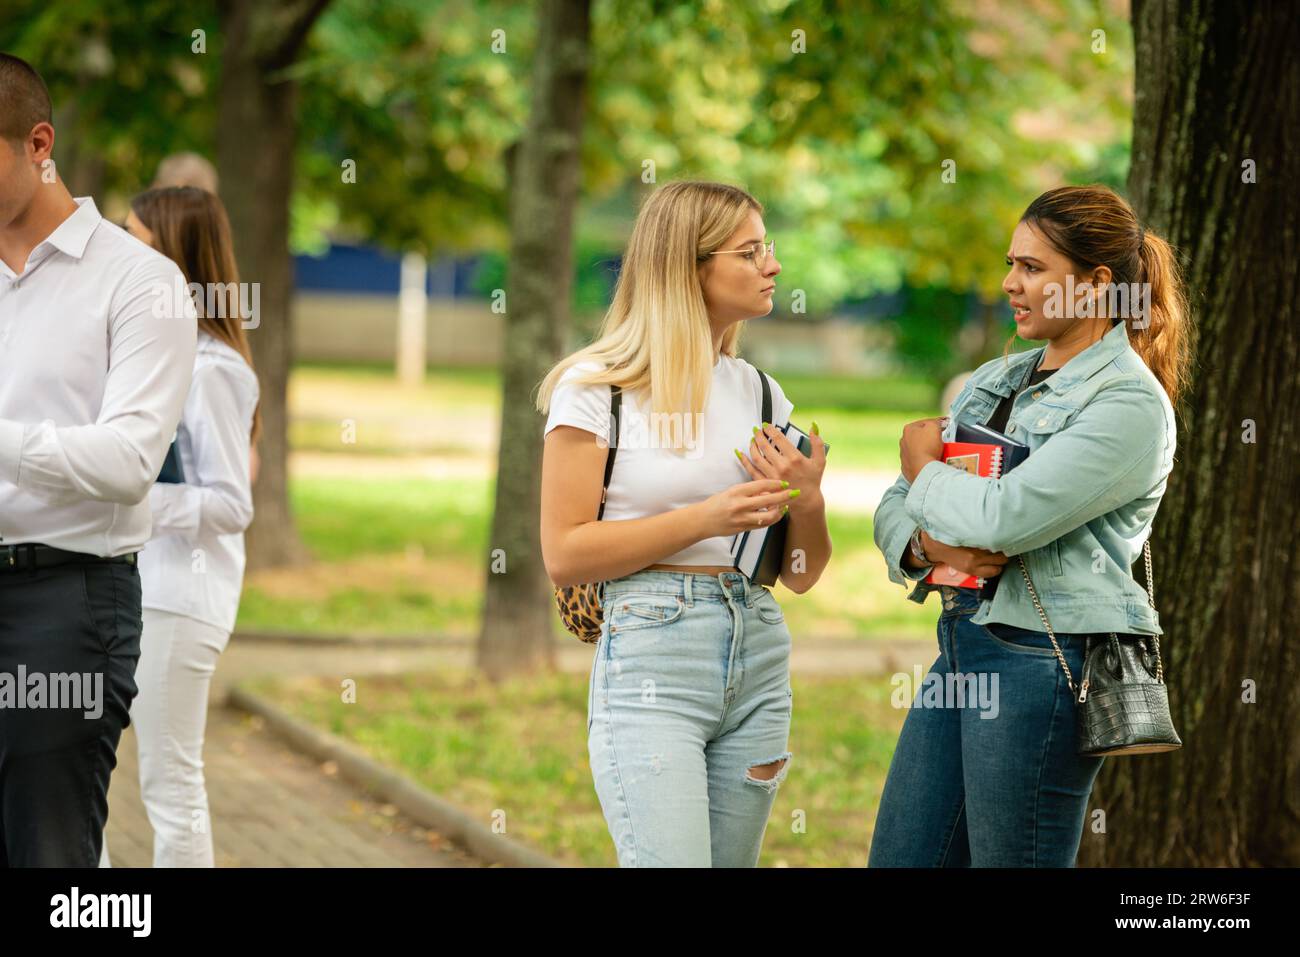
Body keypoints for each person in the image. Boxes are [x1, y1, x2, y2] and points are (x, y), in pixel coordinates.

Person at [869, 183, 1190, 867]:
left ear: (1095, 284)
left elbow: (1005, 518)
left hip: (1042, 663)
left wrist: (924, 470)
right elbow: (893, 506)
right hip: (962, 642)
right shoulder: (997, 379)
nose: (1010, 283)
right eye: (1011, 264)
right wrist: (929, 544)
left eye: (1033, 268)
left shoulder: (1127, 403)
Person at [539, 180, 832, 867]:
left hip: (757, 652)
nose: (772, 265)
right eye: (749, 252)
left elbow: (800, 575)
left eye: (768, 248)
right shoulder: (597, 387)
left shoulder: (761, 392)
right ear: (688, 267)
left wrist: (809, 499)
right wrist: (706, 517)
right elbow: (565, 552)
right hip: (653, 657)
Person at [0, 53, 196, 866]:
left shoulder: (142, 283)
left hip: (66, 601)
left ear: (38, 143)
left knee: (48, 854)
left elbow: (127, 460)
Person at [120, 186, 261, 866]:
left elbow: (232, 503)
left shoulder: (213, 370)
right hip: (139, 589)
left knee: (170, 783)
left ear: (175, 258)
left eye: (135, 241)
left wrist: (132, 503)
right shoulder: (157, 354)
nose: (120, 252)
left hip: (179, 599)